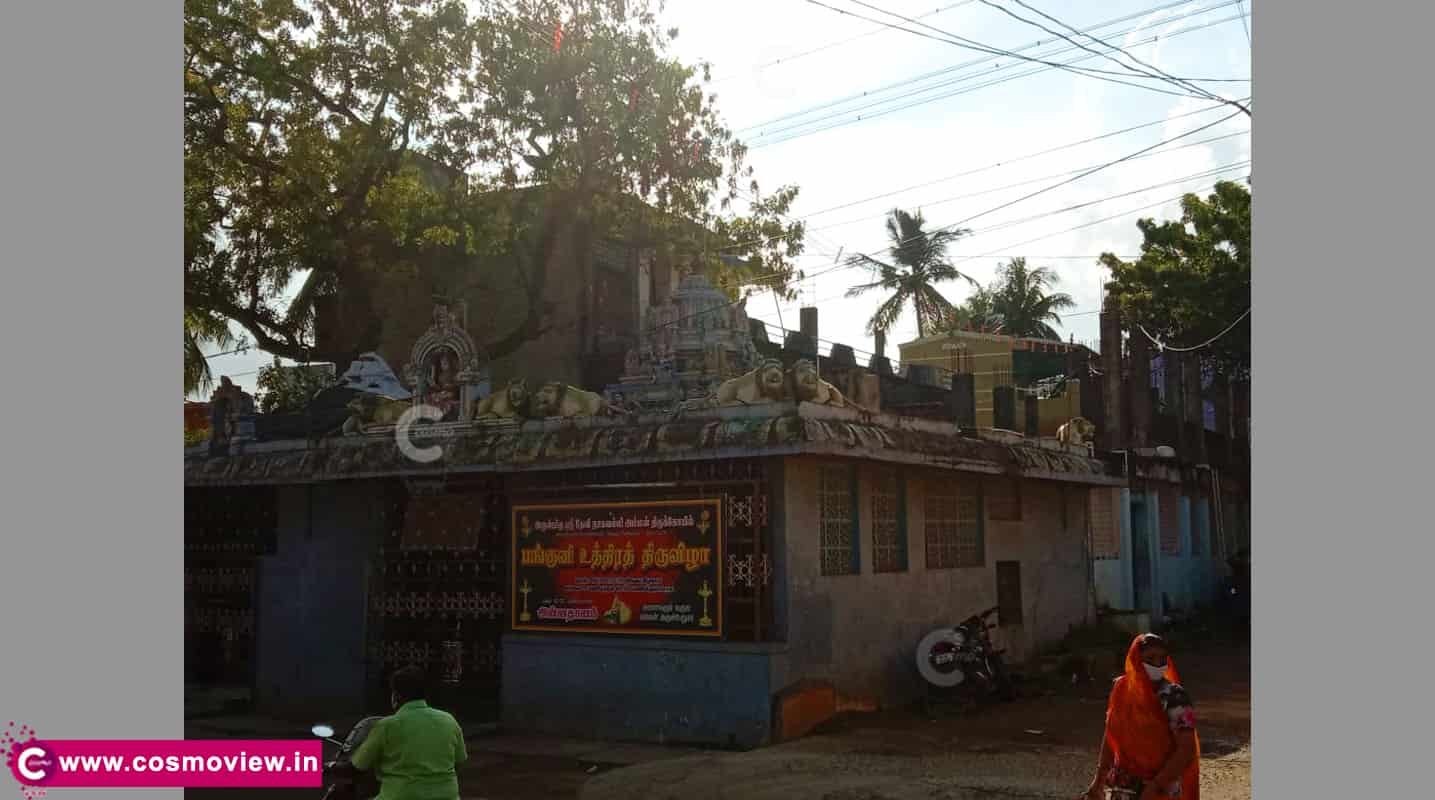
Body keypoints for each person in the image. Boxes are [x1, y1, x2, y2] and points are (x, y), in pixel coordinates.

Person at [1079, 634, 1200, 800]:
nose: (1158, 664)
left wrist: (1156, 785)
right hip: (1123, 788)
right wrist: (1098, 780)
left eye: (1162, 658)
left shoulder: (1175, 696)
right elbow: (1111, 736)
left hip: (1159, 791)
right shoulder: (1121, 689)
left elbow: (1186, 749)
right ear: (1135, 659)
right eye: (1150, 658)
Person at [350, 666, 469, 800]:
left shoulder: (387, 725)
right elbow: (460, 761)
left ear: (396, 695)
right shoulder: (449, 720)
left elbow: (358, 766)